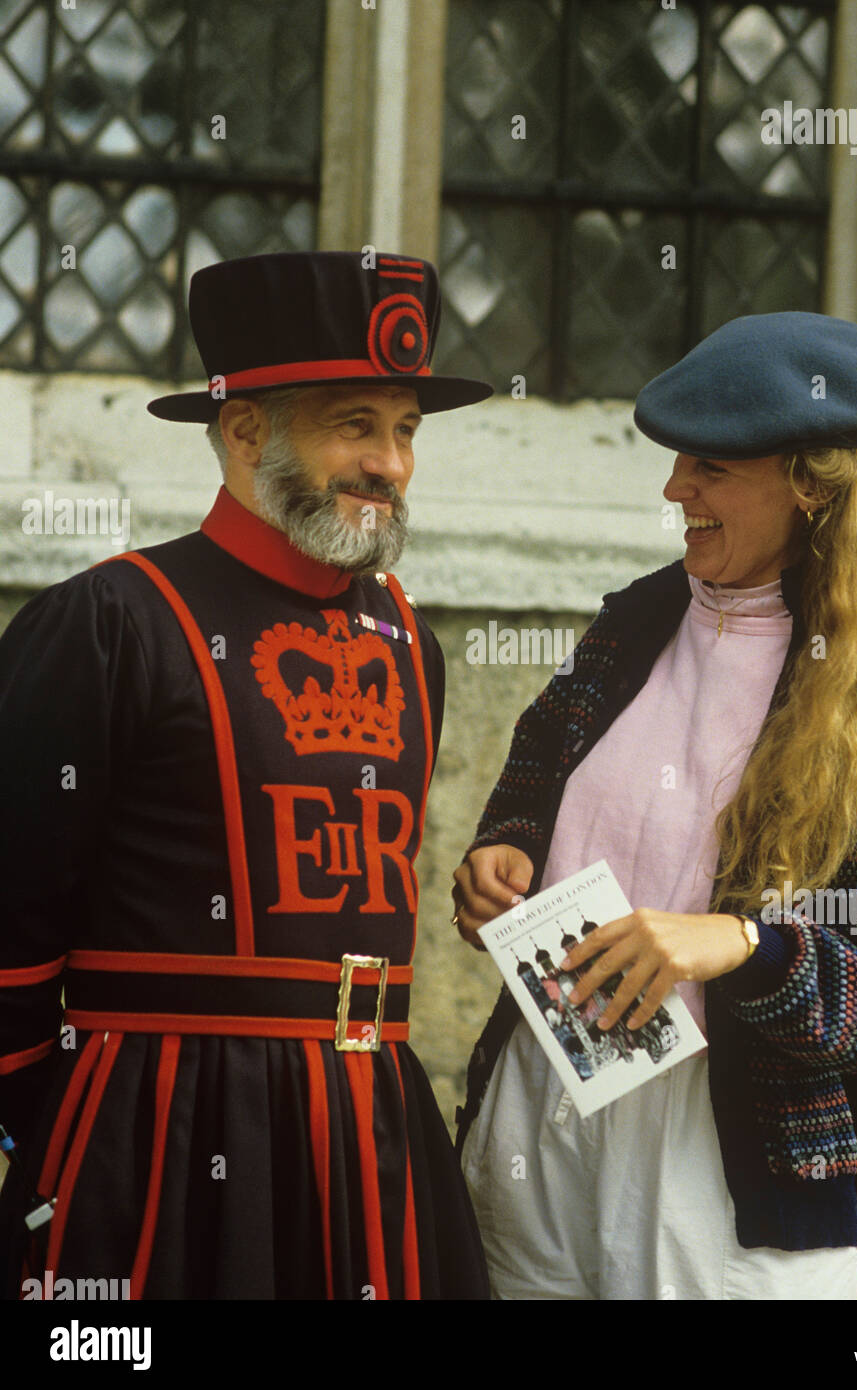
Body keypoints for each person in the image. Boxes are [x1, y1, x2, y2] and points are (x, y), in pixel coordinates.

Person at [0, 250, 492, 1300]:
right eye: (354, 424)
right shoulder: (109, 623)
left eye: (405, 429)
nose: (392, 464)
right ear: (244, 431)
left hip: (369, 1134)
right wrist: (54, 1135)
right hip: (156, 1135)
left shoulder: (414, 643)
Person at [452, 311, 857, 1300]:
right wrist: (499, 863)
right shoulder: (633, 621)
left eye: (710, 468)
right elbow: (525, 795)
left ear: (809, 487)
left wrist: (741, 945)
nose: (673, 488)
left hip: (727, 1168)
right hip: (541, 1105)